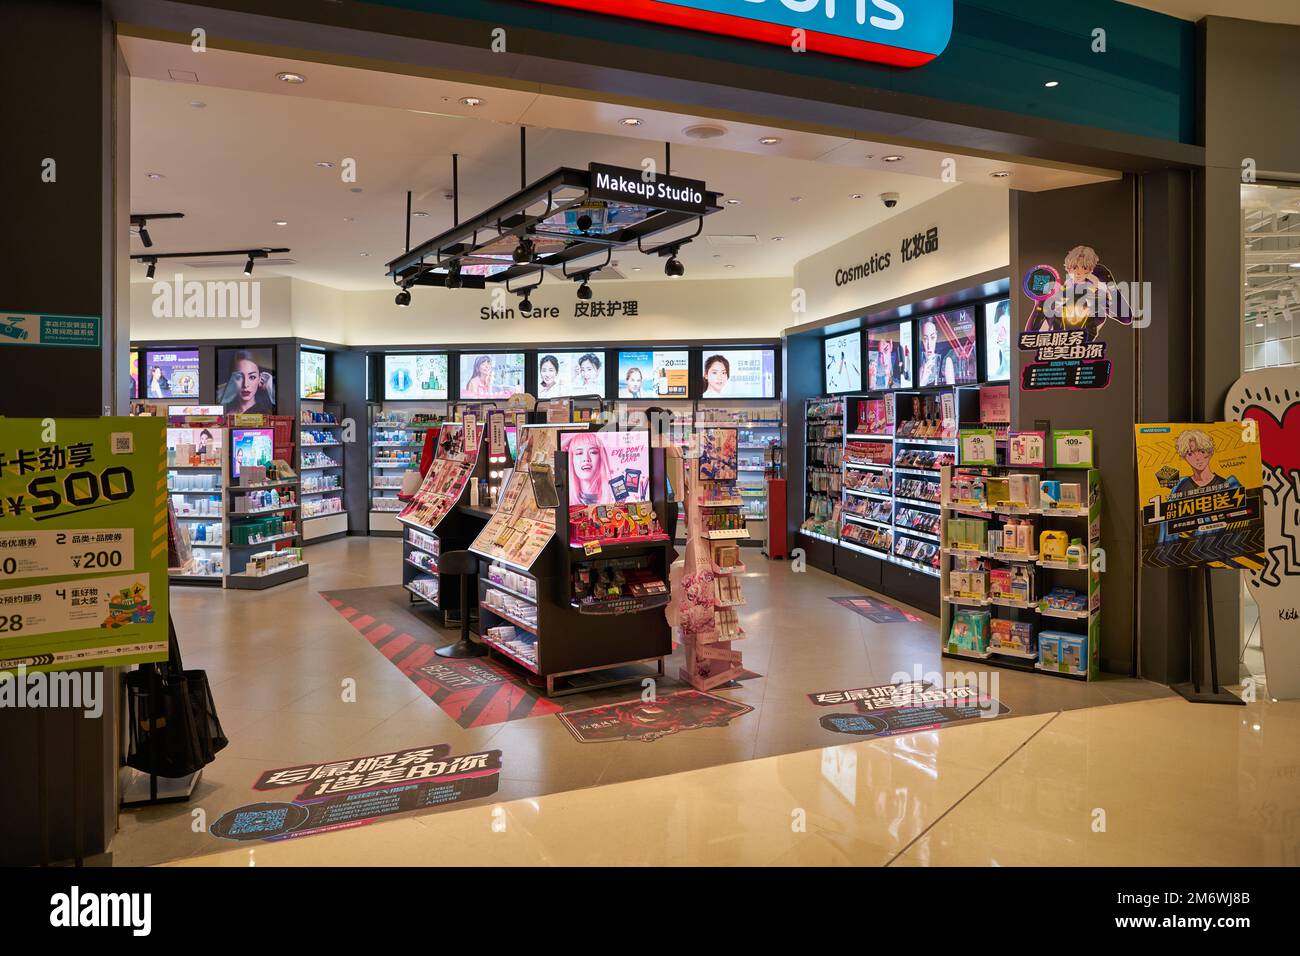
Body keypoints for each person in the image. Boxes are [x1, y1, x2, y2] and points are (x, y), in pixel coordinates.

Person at [566, 432, 613, 505]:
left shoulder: (614, 496)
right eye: (579, 453)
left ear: (601, 458)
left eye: (593, 452)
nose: (586, 459)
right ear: (571, 459)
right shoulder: (565, 499)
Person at [918, 318, 955, 387]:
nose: (929, 345)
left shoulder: (946, 361)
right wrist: (923, 381)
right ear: (922, 339)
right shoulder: (920, 365)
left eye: (932, 337)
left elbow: (952, 393)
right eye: (925, 339)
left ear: (936, 336)